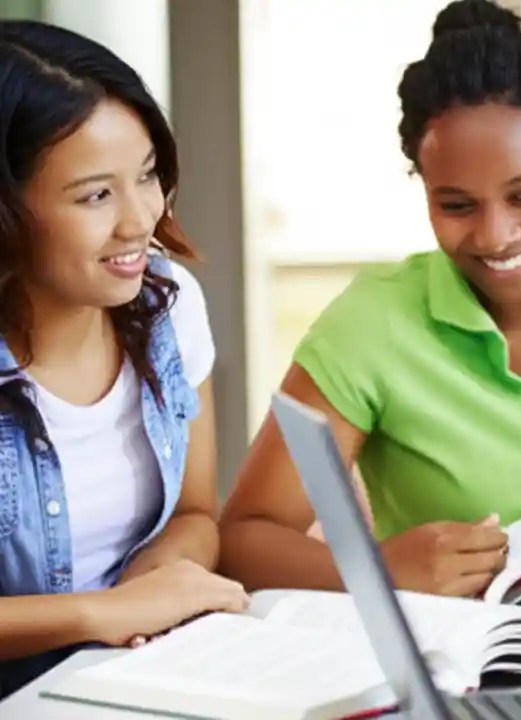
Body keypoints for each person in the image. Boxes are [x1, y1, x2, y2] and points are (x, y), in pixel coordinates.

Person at [218, 0, 521, 621]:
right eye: (457, 205)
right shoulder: (372, 323)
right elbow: (245, 539)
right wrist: (381, 571)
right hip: (446, 655)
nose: (496, 236)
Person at [0, 21, 249, 698]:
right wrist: (101, 614)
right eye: (95, 195)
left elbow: (195, 514)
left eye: (146, 176)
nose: (140, 219)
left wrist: (159, 585)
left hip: (127, 682)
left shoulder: (168, 306)